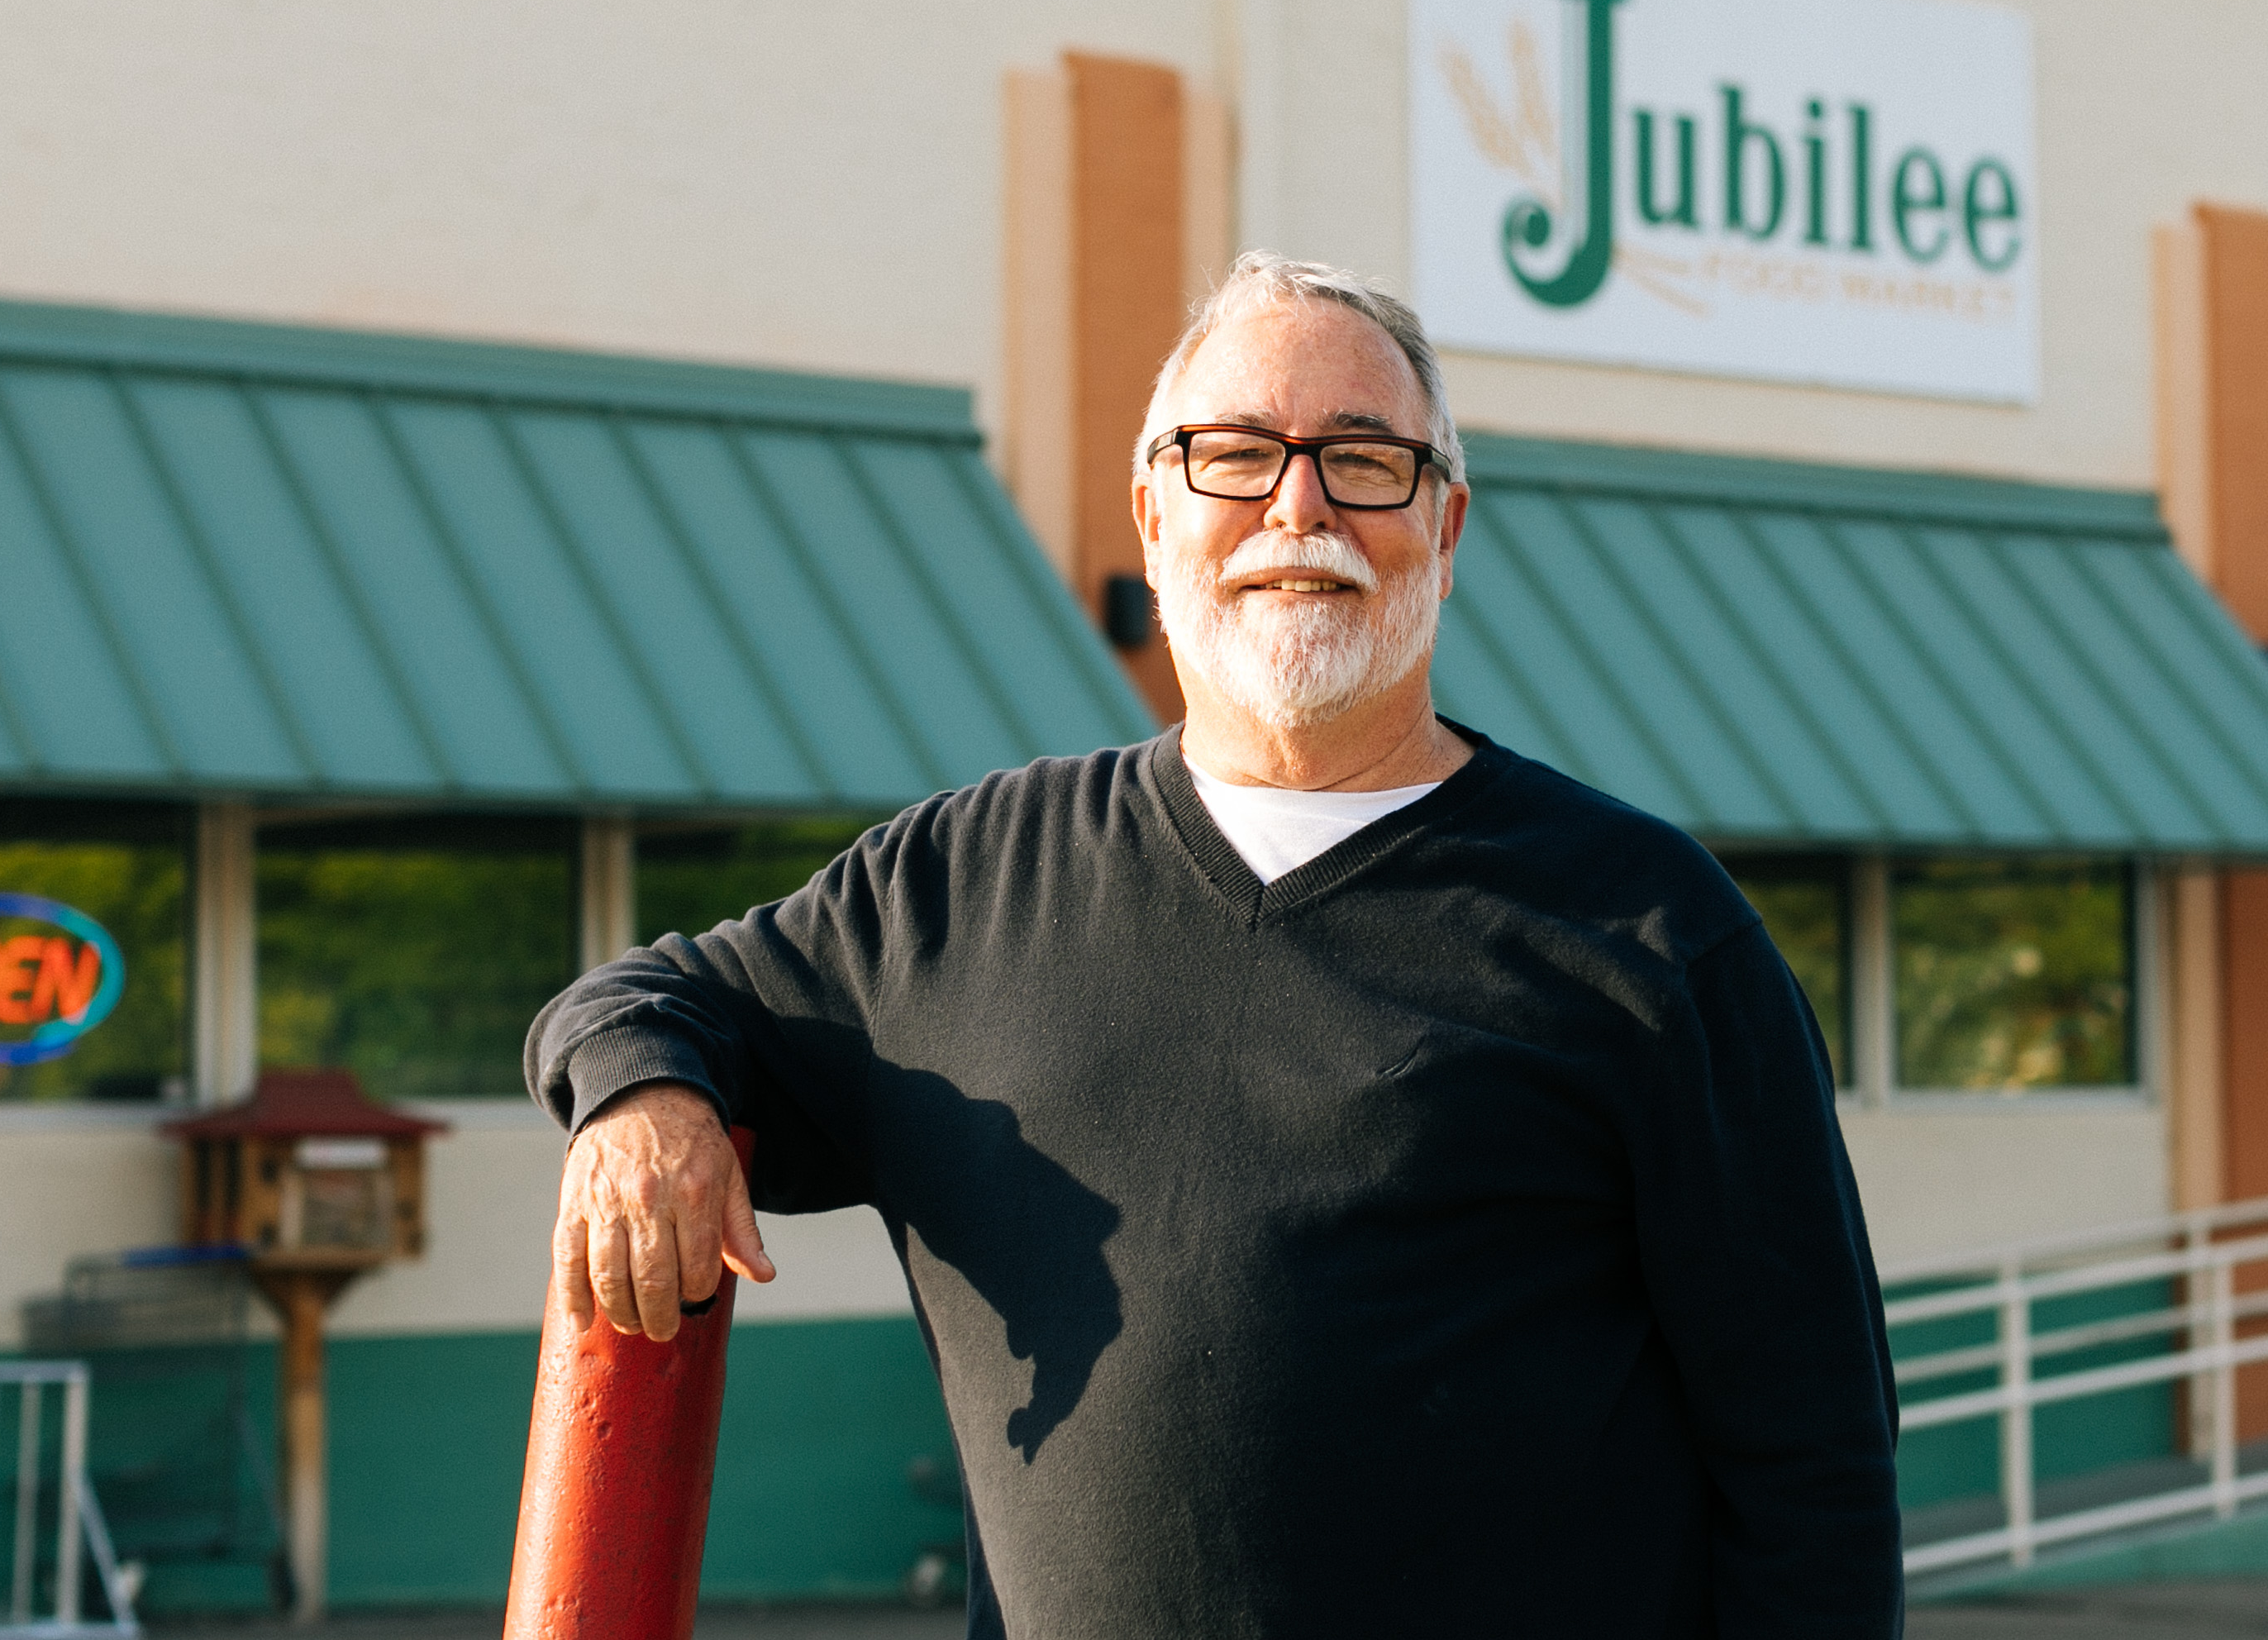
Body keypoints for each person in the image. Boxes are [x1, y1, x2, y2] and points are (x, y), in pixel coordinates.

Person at [526, 253, 1902, 1638]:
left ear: (1447, 522)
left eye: (1363, 460)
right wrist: (642, 1099)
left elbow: (1811, 1465)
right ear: (1150, 511)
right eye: (1233, 455)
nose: (1296, 507)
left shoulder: (1645, 925)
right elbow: (652, 995)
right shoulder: (956, 887)